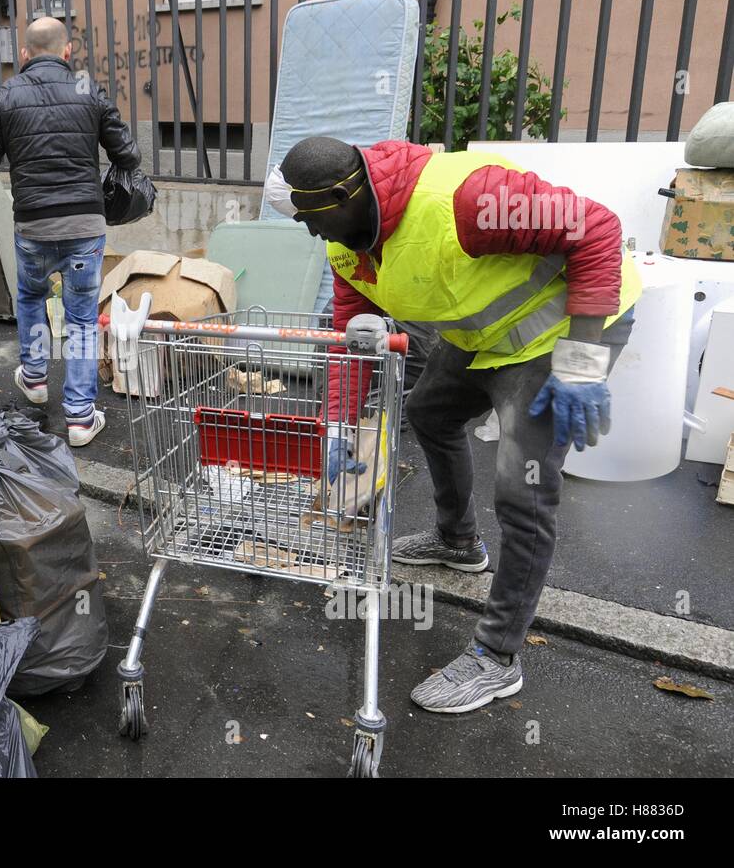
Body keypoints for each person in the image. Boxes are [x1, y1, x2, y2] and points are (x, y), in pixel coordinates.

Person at [265, 137, 639, 713]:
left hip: (557, 336)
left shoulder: (466, 200)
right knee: (429, 412)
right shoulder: (350, 247)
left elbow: (596, 228)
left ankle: (497, 656)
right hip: (484, 339)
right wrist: (338, 421)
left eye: (313, 217)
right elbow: (352, 339)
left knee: (523, 490)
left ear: (346, 192)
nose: (312, 233)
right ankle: (457, 541)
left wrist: (583, 365)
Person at [0, 17, 140, 446]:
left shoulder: (8, 94)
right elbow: (128, 154)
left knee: (32, 296)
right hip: (84, 228)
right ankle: (79, 418)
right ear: (68, 52)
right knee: (83, 320)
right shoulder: (88, 88)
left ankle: (34, 376)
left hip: (32, 226)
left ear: (24, 54)